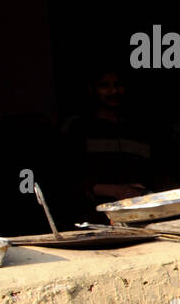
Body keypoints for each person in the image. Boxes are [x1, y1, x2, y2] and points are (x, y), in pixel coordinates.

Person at [61, 68, 163, 220]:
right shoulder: (78, 128)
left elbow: (157, 173)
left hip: (141, 214)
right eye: (104, 86)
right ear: (92, 89)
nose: (113, 91)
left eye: (118, 85)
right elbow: (65, 178)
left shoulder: (140, 129)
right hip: (93, 218)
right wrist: (114, 190)